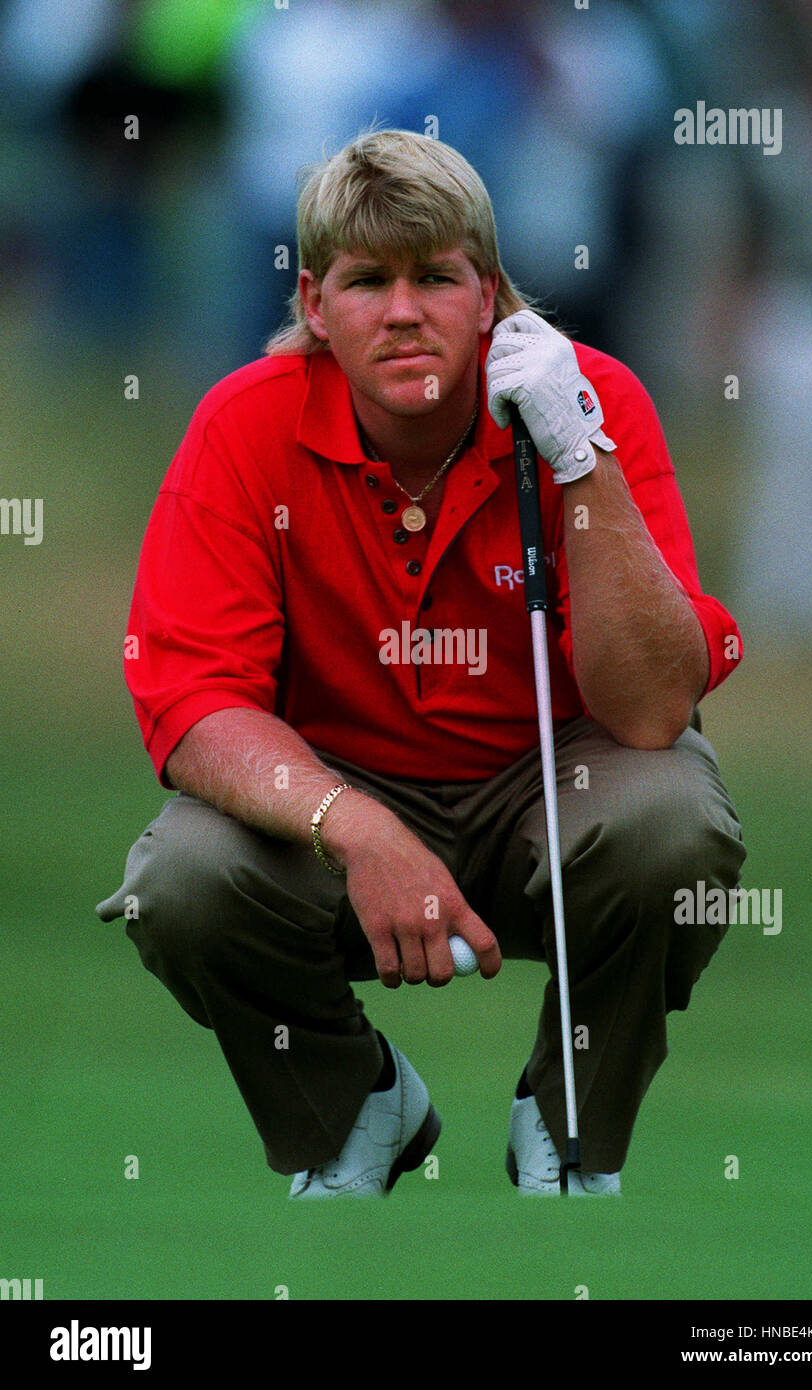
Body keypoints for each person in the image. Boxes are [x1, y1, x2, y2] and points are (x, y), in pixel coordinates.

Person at [96, 129, 746, 1198]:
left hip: (555, 782)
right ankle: (353, 1105)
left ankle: (570, 1125)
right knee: (181, 879)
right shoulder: (242, 425)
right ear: (314, 303)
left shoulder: (591, 402)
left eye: (436, 277)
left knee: (670, 821)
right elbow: (194, 703)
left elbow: (650, 710)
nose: (403, 311)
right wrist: (356, 829)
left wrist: (577, 456)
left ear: (487, 295)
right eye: (367, 281)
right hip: (334, 792)